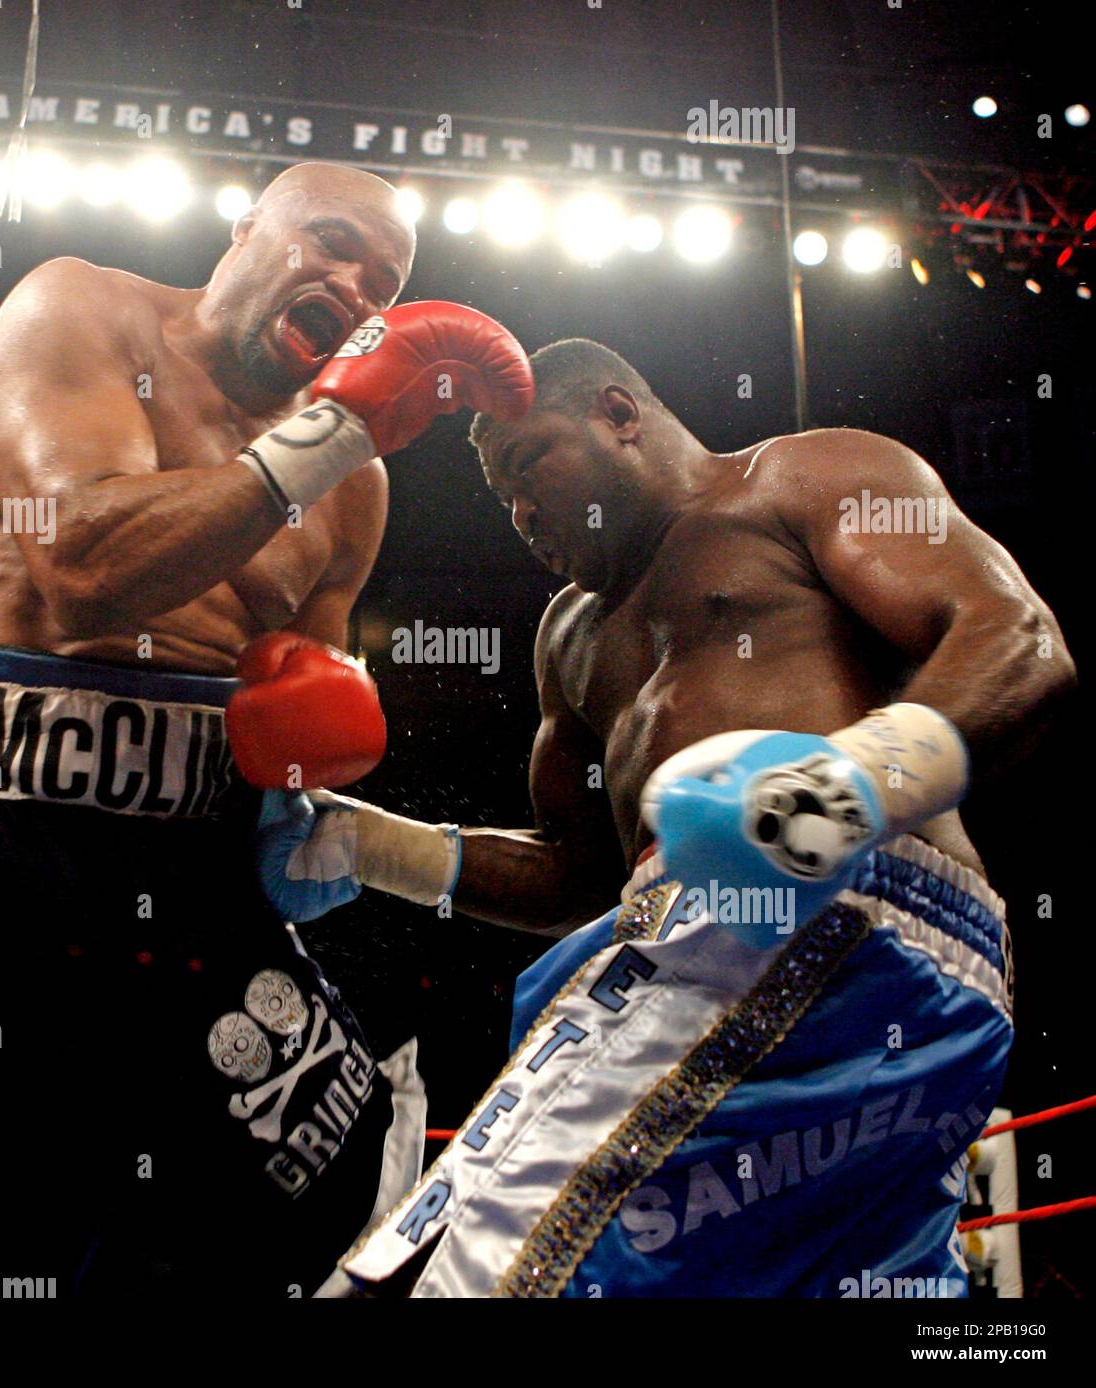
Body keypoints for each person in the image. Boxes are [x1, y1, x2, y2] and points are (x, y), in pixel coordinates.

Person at [0, 161, 533, 1298]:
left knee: (329, 1178)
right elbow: (83, 565)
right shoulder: (78, 308)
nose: (351, 280)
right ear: (245, 232)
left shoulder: (358, 487)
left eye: (380, 279)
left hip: (196, 861)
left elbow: (301, 705)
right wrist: (330, 431)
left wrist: (306, 795)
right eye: (328, 242)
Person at [260, 338, 1076, 1297]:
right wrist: (367, 843)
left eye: (531, 466)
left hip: (844, 906)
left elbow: (1017, 640)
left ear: (618, 411)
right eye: (501, 498)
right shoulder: (569, 636)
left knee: (459, 1261)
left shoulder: (798, 478)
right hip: (889, 991)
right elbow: (577, 875)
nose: (521, 513)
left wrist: (836, 793)